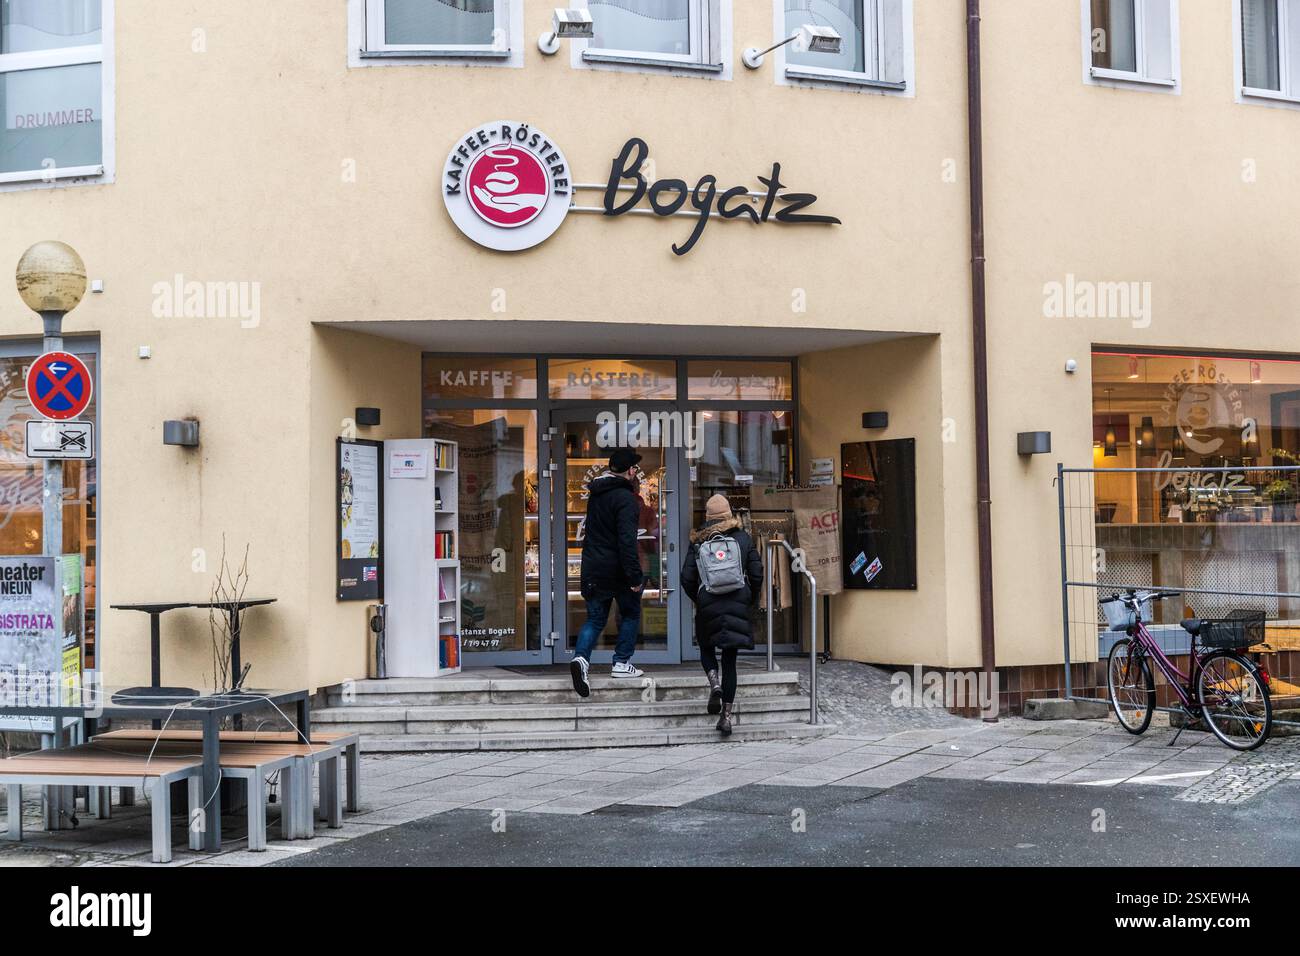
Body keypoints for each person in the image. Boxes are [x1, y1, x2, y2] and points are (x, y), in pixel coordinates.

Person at [681, 494, 764, 735]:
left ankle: (713, 682)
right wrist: (749, 596)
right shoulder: (742, 539)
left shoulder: (698, 541)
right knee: (730, 660)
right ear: (729, 514)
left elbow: (686, 578)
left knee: (707, 648)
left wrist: (700, 597)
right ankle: (726, 717)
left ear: (707, 517)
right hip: (738, 600)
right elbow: (757, 572)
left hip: (708, 601)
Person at [570, 448, 646, 698]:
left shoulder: (596, 495)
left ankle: (581, 659)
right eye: (634, 468)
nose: (635, 472)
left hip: (594, 567)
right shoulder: (626, 499)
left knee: (594, 619)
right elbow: (627, 541)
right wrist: (635, 576)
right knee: (631, 613)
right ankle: (622, 663)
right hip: (618, 570)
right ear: (630, 471)